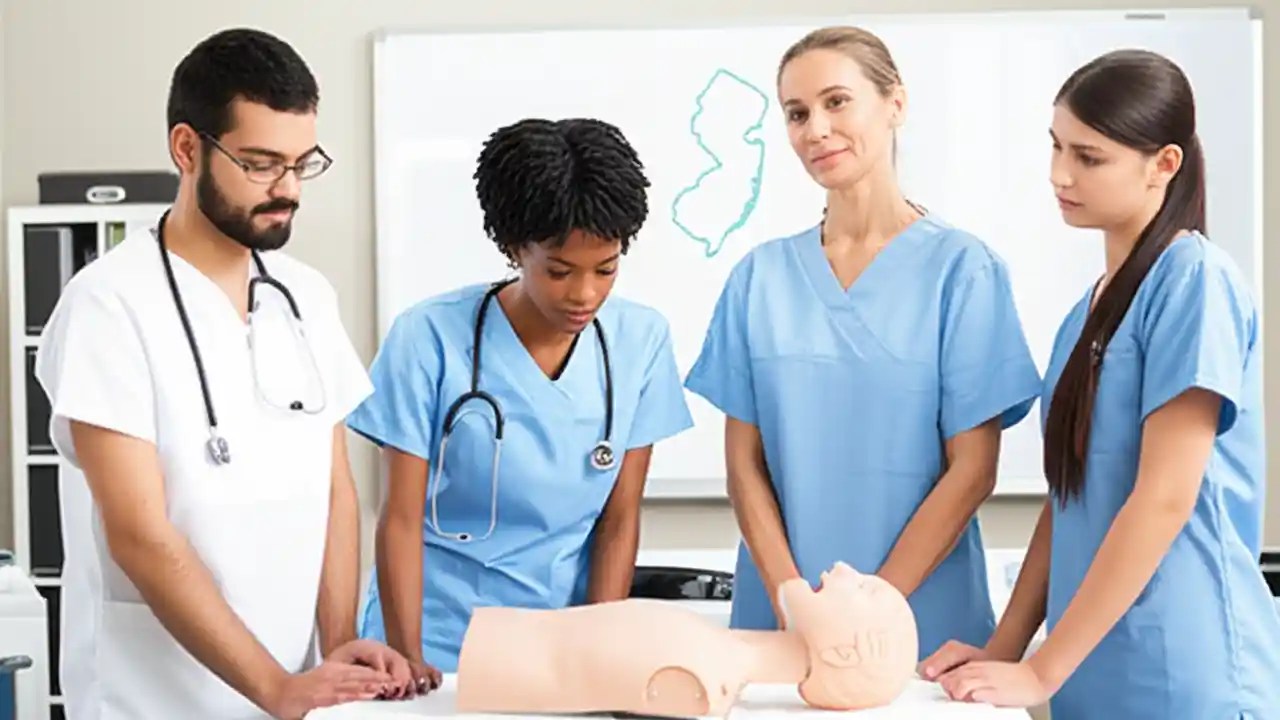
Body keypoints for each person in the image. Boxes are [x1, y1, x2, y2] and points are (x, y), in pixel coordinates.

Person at [34, 28, 416, 720]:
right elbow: (140, 536)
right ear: (187, 148)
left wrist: (336, 648)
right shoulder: (106, 306)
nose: (289, 189)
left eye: (303, 163)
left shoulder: (307, 296)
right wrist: (275, 686)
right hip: (151, 703)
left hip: (295, 700)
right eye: (262, 163)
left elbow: (334, 492)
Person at [921, 49, 1280, 719]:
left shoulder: (1194, 281)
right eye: (1056, 147)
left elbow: (1166, 498)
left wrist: (1040, 671)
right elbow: (1069, 502)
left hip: (1184, 669)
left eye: (1089, 157)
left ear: (1164, 164)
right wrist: (1007, 650)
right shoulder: (1083, 317)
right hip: (1093, 675)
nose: (1060, 174)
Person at [683, 25, 1042, 662]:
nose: (815, 128)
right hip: (782, 624)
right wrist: (795, 602)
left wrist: (864, 614)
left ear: (895, 104)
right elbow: (745, 468)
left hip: (919, 627)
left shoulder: (963, 271)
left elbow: (972, 470)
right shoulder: (759, 278)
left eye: (836, 101)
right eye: (796, 113)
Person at [345, 117, 695, 678]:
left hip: (560, 646)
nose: (585, 294)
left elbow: (618, 519)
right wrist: (408, 658)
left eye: (605, 269)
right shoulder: (428, 337)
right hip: (436, 637)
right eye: (559, 271)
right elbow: (401, 520)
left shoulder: (641, 341)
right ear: (514, 247)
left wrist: (601, 651)